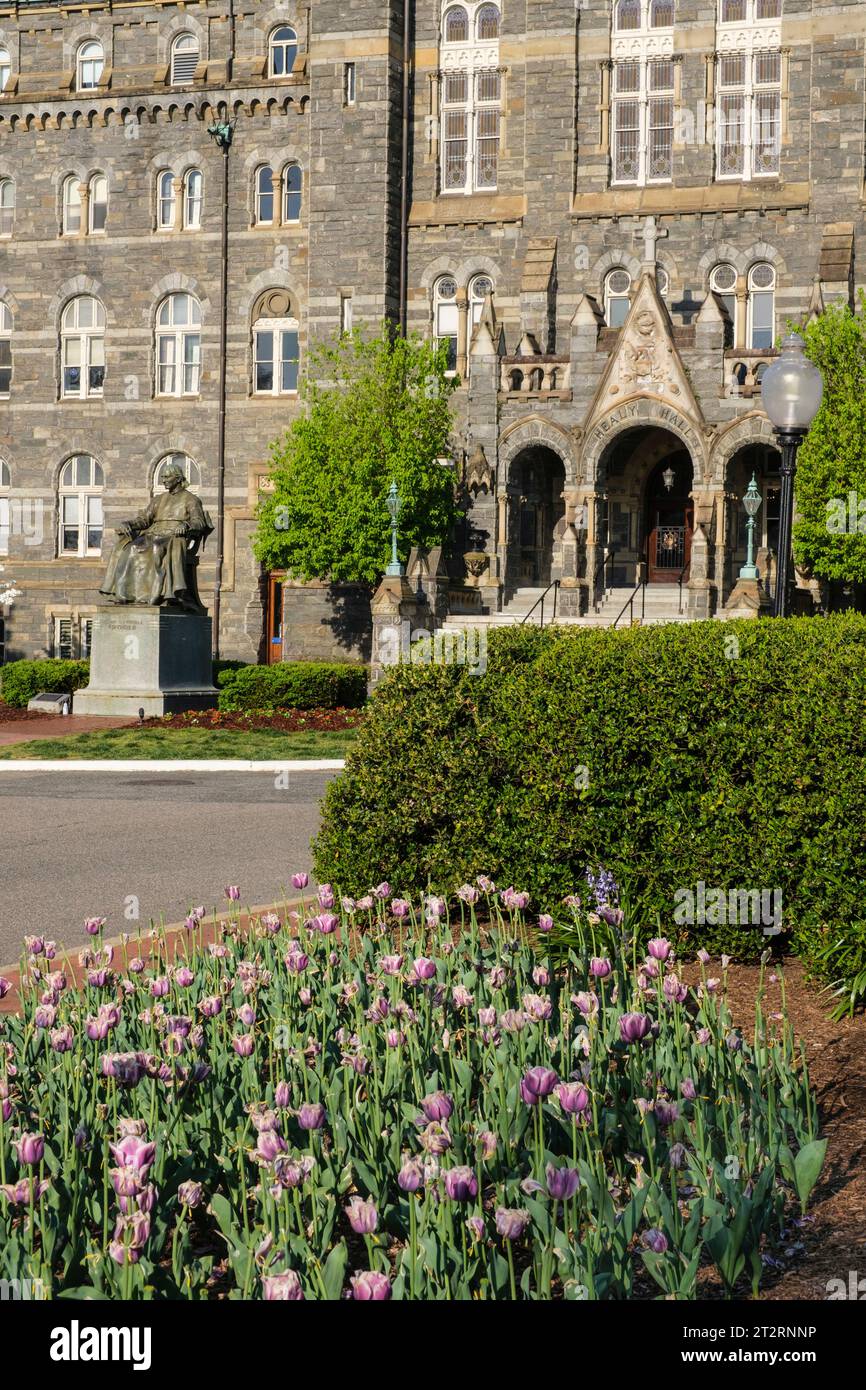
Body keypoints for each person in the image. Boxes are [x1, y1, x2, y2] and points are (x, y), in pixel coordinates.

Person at [99, 463, 213, 612]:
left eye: (167, 477)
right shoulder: (158, 499)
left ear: (178, 479)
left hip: (174, 536)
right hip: (153, 534)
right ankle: (126, 594)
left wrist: (186, 525)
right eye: (162, 477)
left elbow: (199, 522)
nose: (163, 480)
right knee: (130, 548)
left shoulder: (191, 499)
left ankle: (157, 595)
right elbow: (145, 520)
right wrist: (130, 524)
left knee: (156, 549)